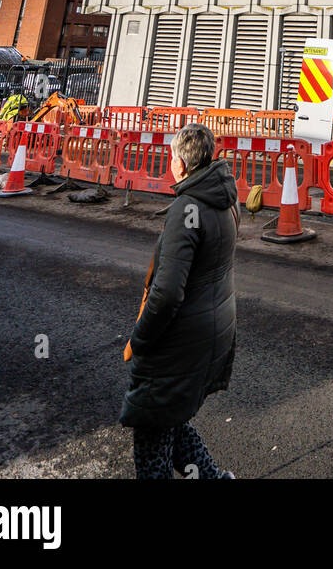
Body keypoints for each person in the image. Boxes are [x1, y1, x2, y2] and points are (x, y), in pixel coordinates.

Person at [120, 124, 238, 480]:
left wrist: (139, 339)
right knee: (170, 420)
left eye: (172, 157)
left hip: (180, 341)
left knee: (153, 433)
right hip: (213, 330)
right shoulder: (225, 199)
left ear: (182, 166)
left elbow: (168, 293)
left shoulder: (186, 209)